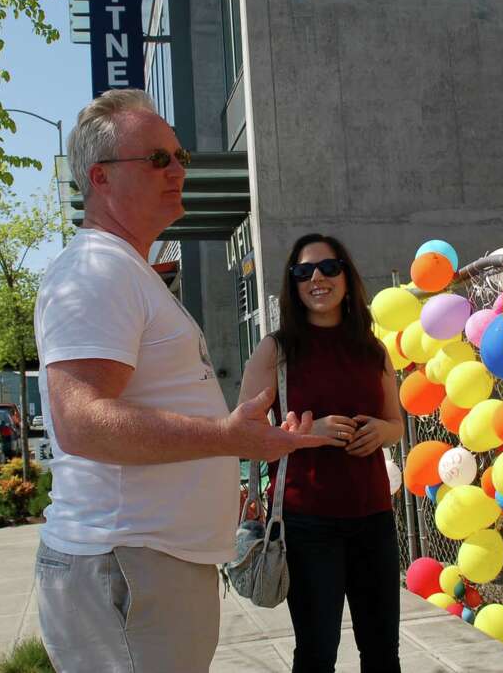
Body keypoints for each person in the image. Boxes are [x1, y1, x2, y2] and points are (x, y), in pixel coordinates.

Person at [34, 89, 328, 673]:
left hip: (147, 565)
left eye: (180, 156)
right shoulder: (96, 268)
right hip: (127, 564)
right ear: (101, 178)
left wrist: (244, 441)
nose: (178, 170)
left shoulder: (125, 270)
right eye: (157, 159)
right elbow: (82, 422)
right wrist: (228, 438)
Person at [238, 233, 405, 673]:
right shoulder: (276, 350)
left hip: (373, 519)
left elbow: (397, 424)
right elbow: (243, 435)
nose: (317, 278)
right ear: (292, 284)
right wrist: (310, 434)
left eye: (329, 268)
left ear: (346, 277)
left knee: (383, 652)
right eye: (303, 271)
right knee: (316, 654)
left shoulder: (372, 348)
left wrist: (379, 431)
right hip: (307, 524)